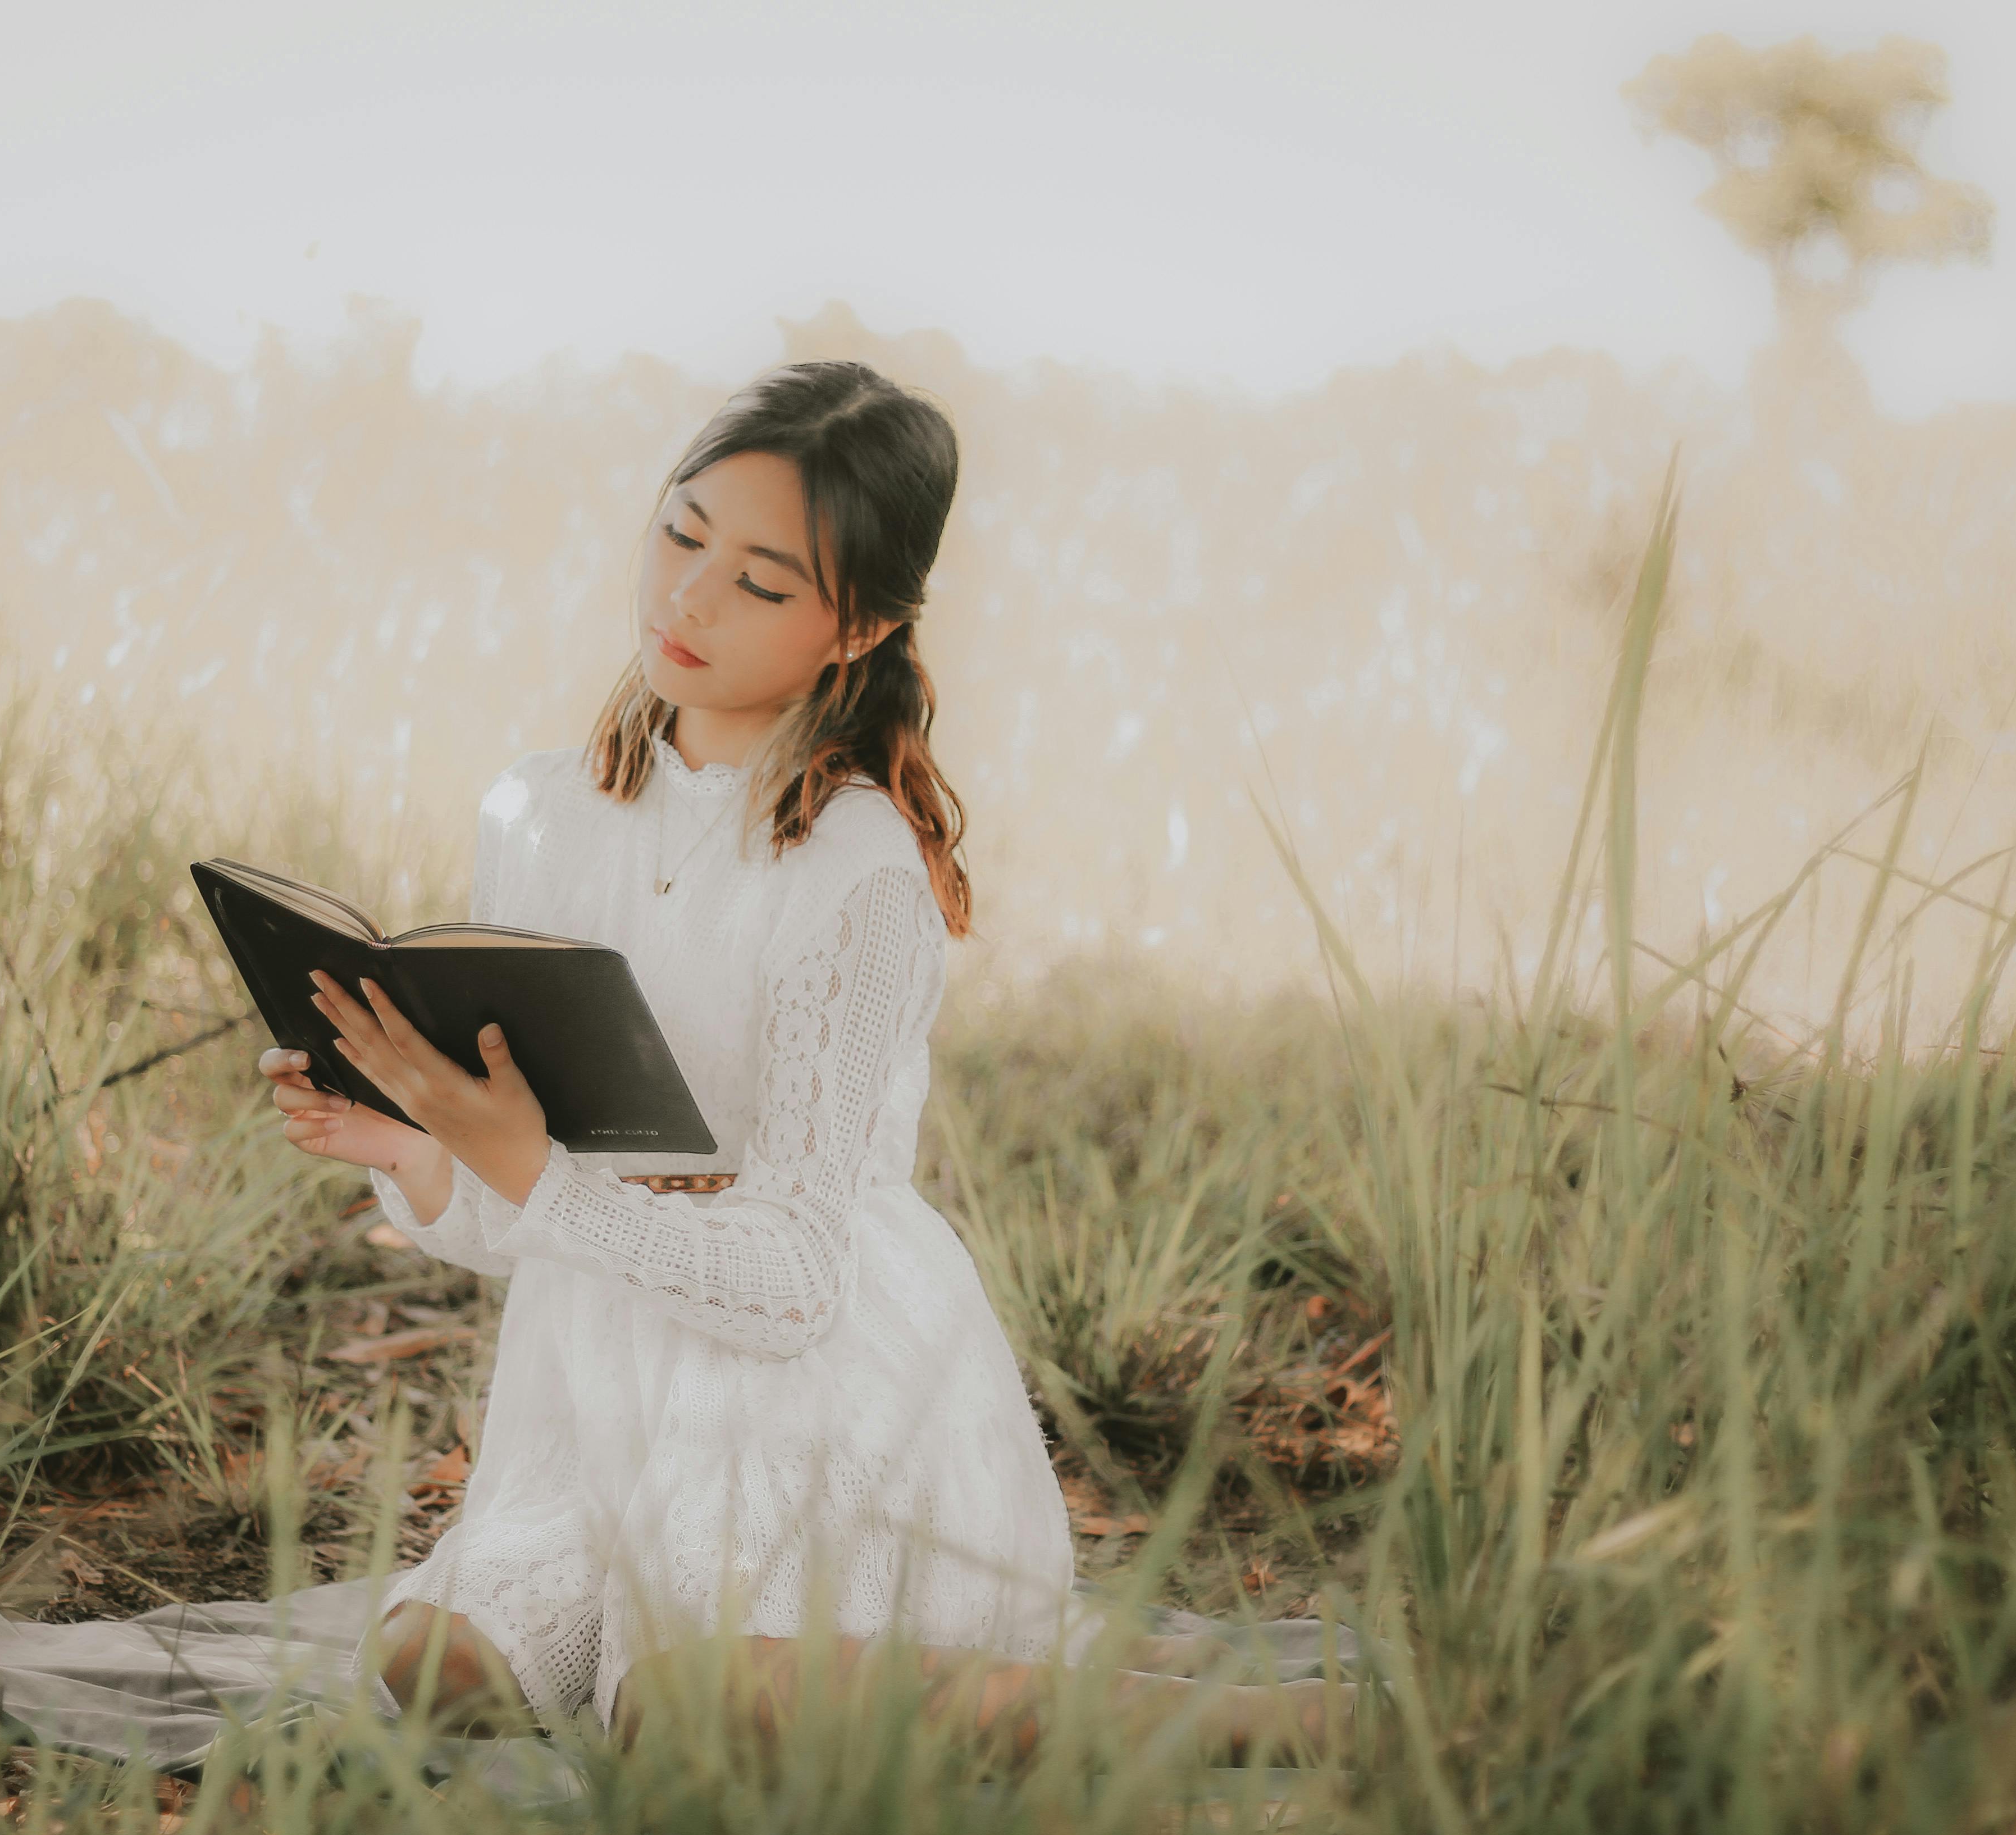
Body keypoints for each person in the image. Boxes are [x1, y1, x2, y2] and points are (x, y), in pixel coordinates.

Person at [260, 361, 1336, 1760]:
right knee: (432, 1663)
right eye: (680, 531)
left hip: (815, 1385)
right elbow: (528, 1202)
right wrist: (416, 1144)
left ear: (862, 624)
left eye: (761, 584)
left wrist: (528, 1168)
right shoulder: (539, 811)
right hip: (597, 1387)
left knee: (686, 1708)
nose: (687, 598)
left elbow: (790, 1284)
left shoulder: (854, 869)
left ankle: (1236, 1721)